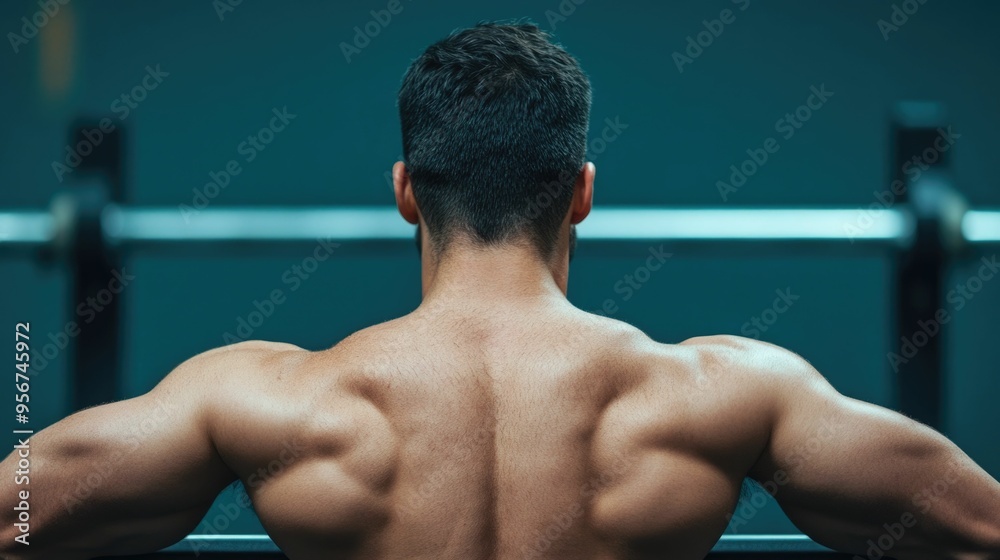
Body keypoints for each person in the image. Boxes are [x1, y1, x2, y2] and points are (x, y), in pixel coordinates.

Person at [2, 22, 998, 560]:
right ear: (582, 194)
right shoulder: (730, 393)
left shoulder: (266, 398)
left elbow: (17, 511)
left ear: (403, 191)